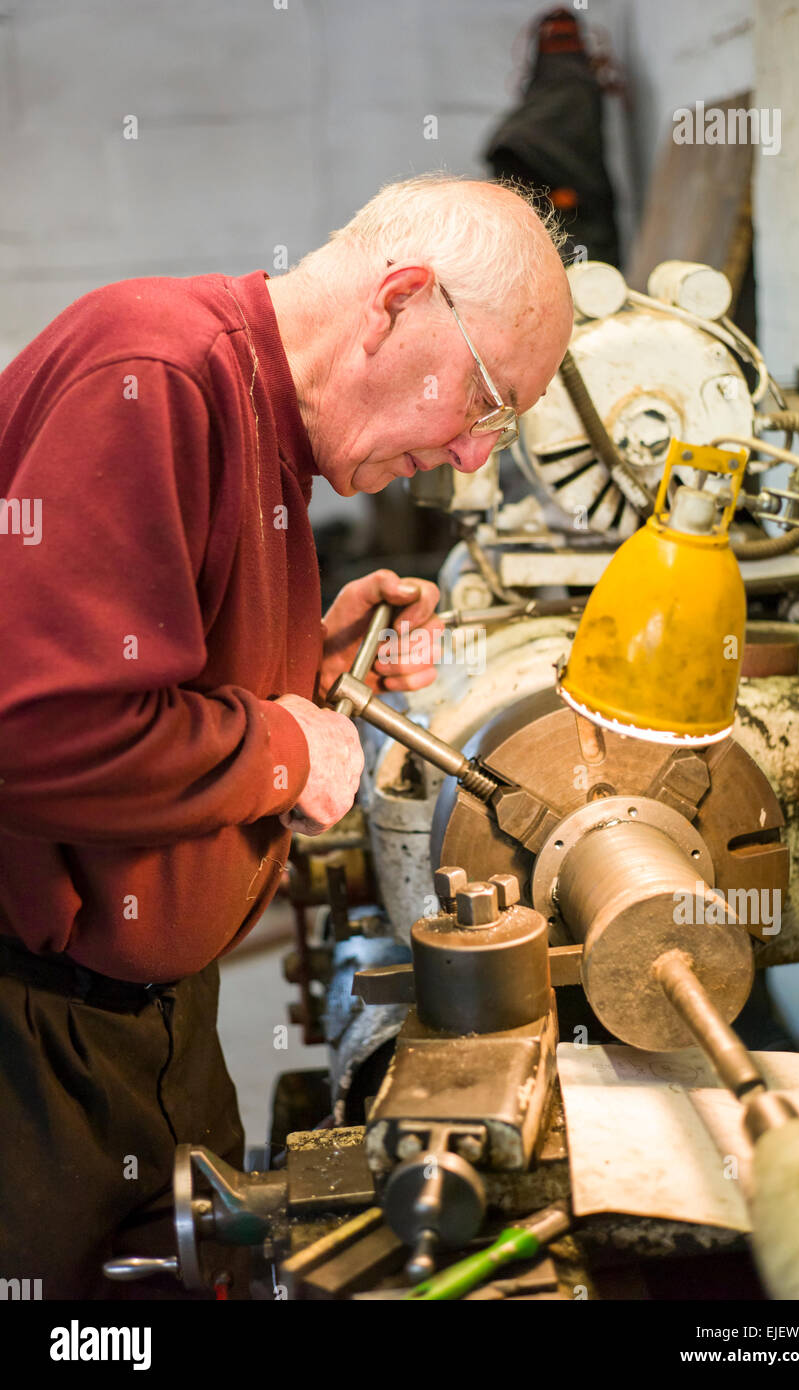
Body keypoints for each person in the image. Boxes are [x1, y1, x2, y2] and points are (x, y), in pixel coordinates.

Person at [0, 173, 574, 1297]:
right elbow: (42, 729)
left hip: (149, 1027)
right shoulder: (156, 375)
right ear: (399, 299)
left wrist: (312, 656)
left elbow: (158, 679)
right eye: (485, 402)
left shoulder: (261, 425)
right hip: (33, 1055)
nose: (471, 457)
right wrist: (287, 748)